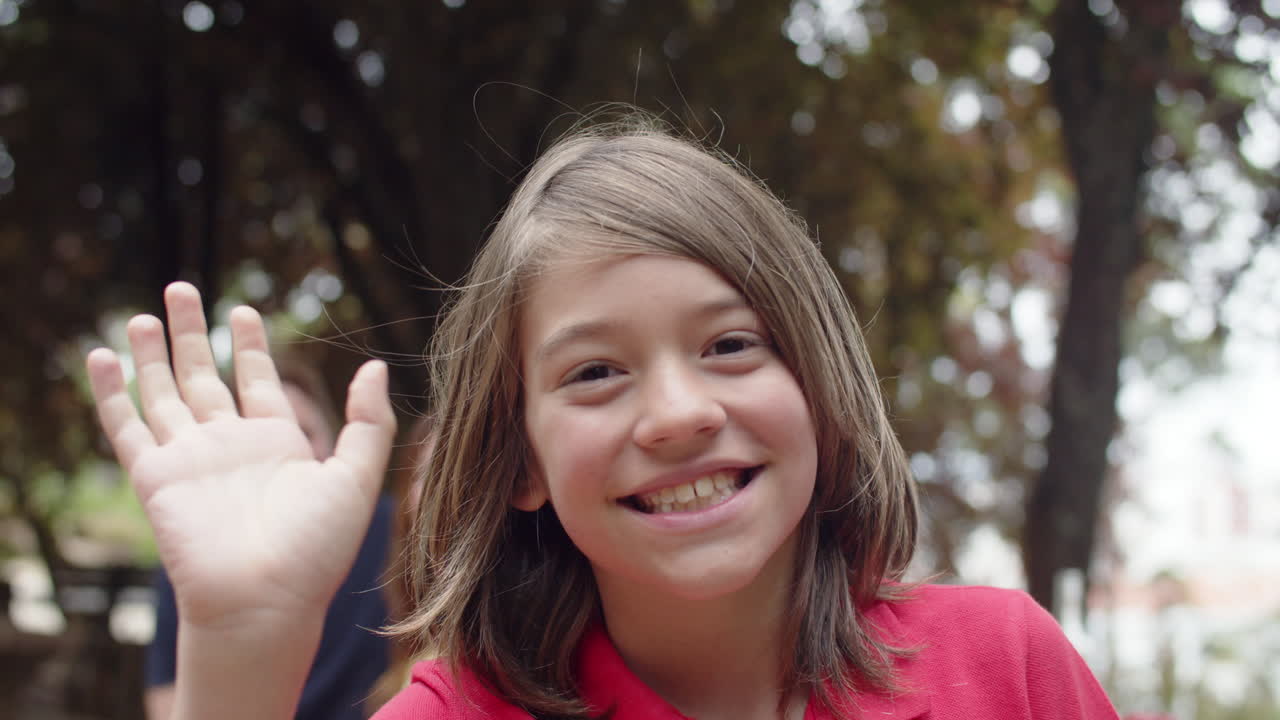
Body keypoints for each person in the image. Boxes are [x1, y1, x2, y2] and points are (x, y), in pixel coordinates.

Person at [86, 115, 1120, 720]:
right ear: (521, 459)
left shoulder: (1003, 665)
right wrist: (241, 644)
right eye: (592, 373)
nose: (674, 414)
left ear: (818, 391)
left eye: (728, 345)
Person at [139, 351, 396, 720]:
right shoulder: (195, 559)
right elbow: (165, 700)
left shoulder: (399, 530)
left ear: (336, 437)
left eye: (305, 433)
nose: (291, 457)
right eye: (266, 445)